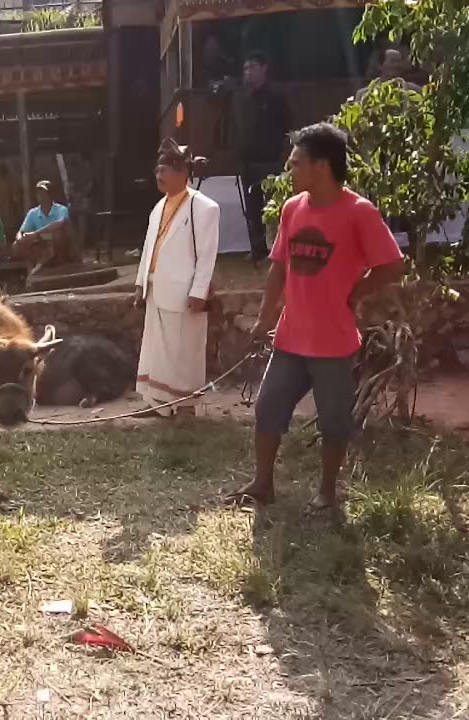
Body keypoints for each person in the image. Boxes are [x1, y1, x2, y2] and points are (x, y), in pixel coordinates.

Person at [229, 123, 405, 514]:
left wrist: (355, 293)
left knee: (333, 421)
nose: (289, 171)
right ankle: (262, 484)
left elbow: (392, 265)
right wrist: (263, 319)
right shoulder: (293, 209)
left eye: (296, 164)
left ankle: (327, 493)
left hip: (334, 341)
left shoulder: (359, 212)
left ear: (321, 167)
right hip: (291, 336)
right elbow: (278, 268)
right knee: (268, 407)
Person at [132, 139, 221, 417]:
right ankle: (157, 403)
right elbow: (149, 247)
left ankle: (184, 406)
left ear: (183, 172)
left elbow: (207, 254)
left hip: (185, 291)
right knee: (157, 349)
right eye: (157, 171)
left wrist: (199, 290)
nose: (159, 176)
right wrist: (140, 283)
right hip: (157, 286)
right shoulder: (158, 207)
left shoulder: (204, 207)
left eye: (165, 170)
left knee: (184, 350)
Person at [232, 52, 292, 264]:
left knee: (274, 209)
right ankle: (257, 250)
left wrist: (282, 156)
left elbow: (287, 128)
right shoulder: (241, 99)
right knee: (252, 209)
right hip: (248, 162)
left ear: (264, 68)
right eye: (245, 68)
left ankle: (276, 251)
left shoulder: (276, 97)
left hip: (271, 161)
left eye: (253, 67)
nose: (249, 73)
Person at [14, 180, 71, 277]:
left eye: (44, 193)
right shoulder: (33, 212)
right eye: (39, 193)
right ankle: (40, 262)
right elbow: (21, 231)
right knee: (16, 246)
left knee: (58, 236)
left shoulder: (61, 209)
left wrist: (36, 234)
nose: (41, 196)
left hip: (52, 238)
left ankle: (59, 264)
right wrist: (20, 238)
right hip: (41, 241)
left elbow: (60, 223)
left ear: (51, 195)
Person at [354, 48, 422, 103]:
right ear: (381, 65)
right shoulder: (363, 94)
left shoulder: (414, 90)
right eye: (392, 61)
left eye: (398, 61)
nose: (396, 65)